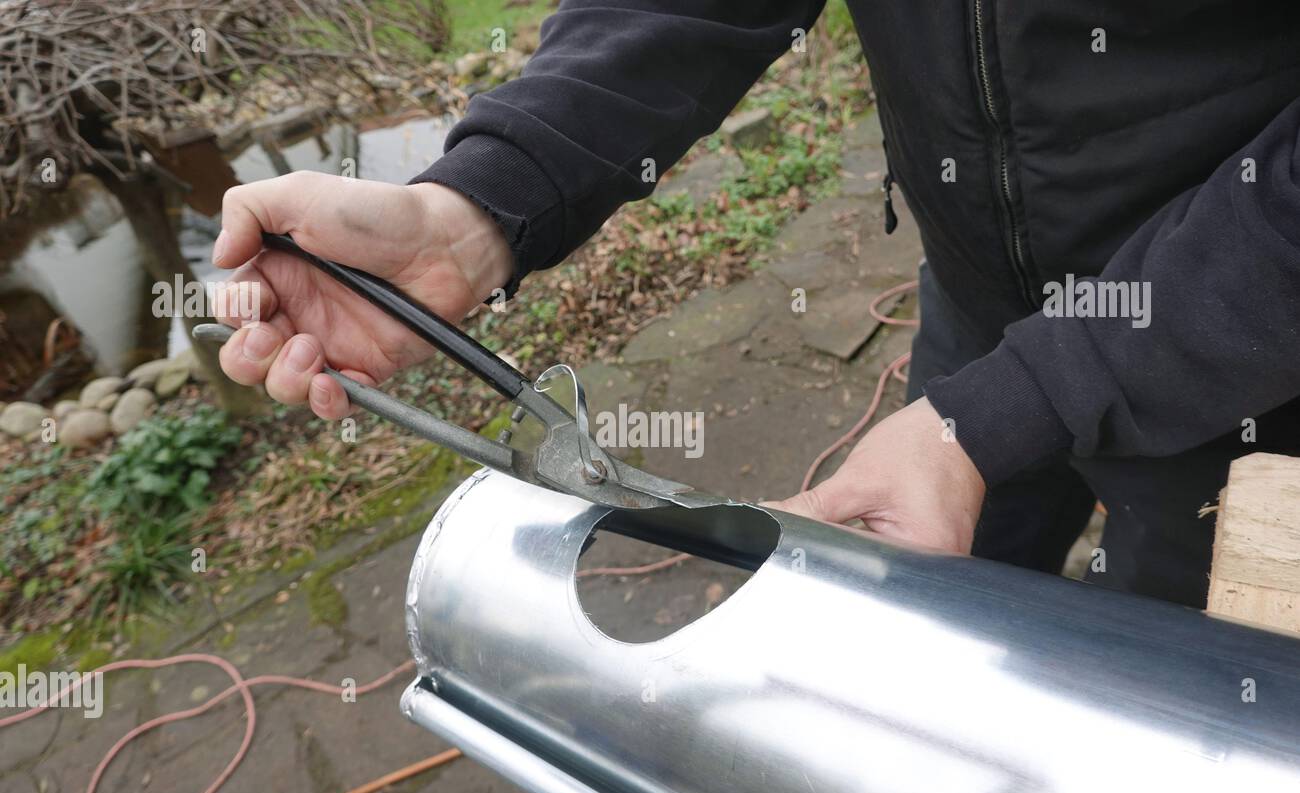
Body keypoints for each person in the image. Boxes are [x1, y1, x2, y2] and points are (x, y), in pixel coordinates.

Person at [212, 2, 1300, 608]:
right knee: (918, 627)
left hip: (1254, 390)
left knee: (1199, 727)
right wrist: (475, 207)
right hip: (978, 324)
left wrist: (1022, 403)